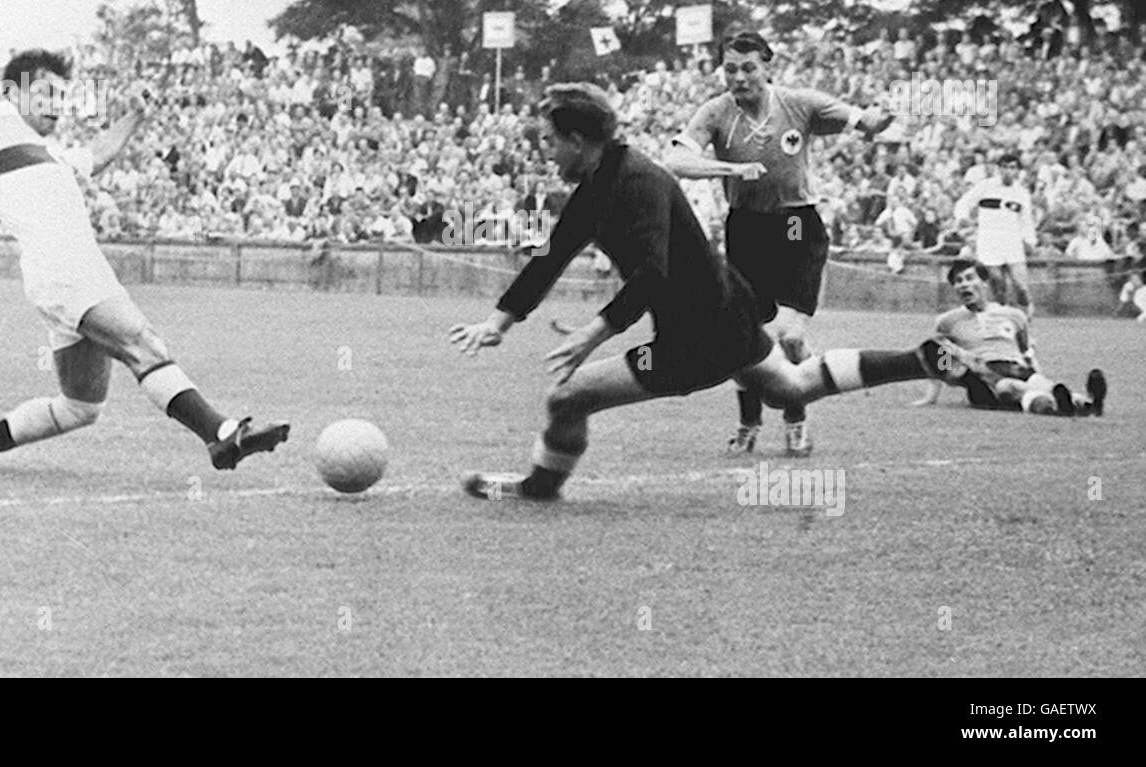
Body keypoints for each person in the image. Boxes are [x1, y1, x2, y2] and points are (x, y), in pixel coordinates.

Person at [448, 83, 962, 501]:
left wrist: (593, 333)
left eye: (548, 139)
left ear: (578, 140)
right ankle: (918, 360)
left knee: (568, 397)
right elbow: (552, 256)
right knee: (790, 385)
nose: (543, 149)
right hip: (725, 310)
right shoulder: (599, 185)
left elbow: (652, 272)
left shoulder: (637, 180)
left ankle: (540, 487)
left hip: (694, 333)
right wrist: (498, 322)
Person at [0, 49, 288, 471]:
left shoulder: (45, 151)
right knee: (143, 344)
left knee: (80, 406)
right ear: (11, 92)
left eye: (61, 96)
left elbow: (98, 156)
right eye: (44, 93)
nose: (56, 105)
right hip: (63, 272)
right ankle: (221, 434)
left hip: (67, 275)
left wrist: (135, 115)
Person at [665, 31, 895, 457]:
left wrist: (876, 122)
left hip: (794, 224)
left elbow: (860, 120)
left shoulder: (798, 103)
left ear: (767, 66)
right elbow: (676, 160)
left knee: (787, 334)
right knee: (742, 335)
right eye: (730, 68)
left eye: (749, 67)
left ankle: (796, 417)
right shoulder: (716, 112)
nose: (739, 77)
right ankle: (749, 421)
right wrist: (729, 170)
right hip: (746, 229)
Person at [913, 259, 1106, 416]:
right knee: (1007, 387)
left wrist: (1039, 374)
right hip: (984, 372)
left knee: (1036, 383)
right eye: (958, 281)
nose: (964, 284)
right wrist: (932, 395)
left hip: (1016, 367)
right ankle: (1070, 403)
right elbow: (940, 357)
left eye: (969, 278)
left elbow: (1027, 352)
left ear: (984, 282)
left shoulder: (1014, 316)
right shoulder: (947, 322)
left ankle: (1088, 404)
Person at [953, 152, 1036, 315]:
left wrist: (1030, 241)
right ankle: (1003, 319)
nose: (1008, 171)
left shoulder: (1021, 193)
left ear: (1018, 171)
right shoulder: (986, 186)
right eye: (1004, 167)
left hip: (1012, 241)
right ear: (999, 169)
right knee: (998, 286)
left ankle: (1026, 316)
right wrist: (962, 217)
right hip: (989, 241)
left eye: (1012, 168)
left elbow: (1026, 220)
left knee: (1021, 287)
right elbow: (964, 202)